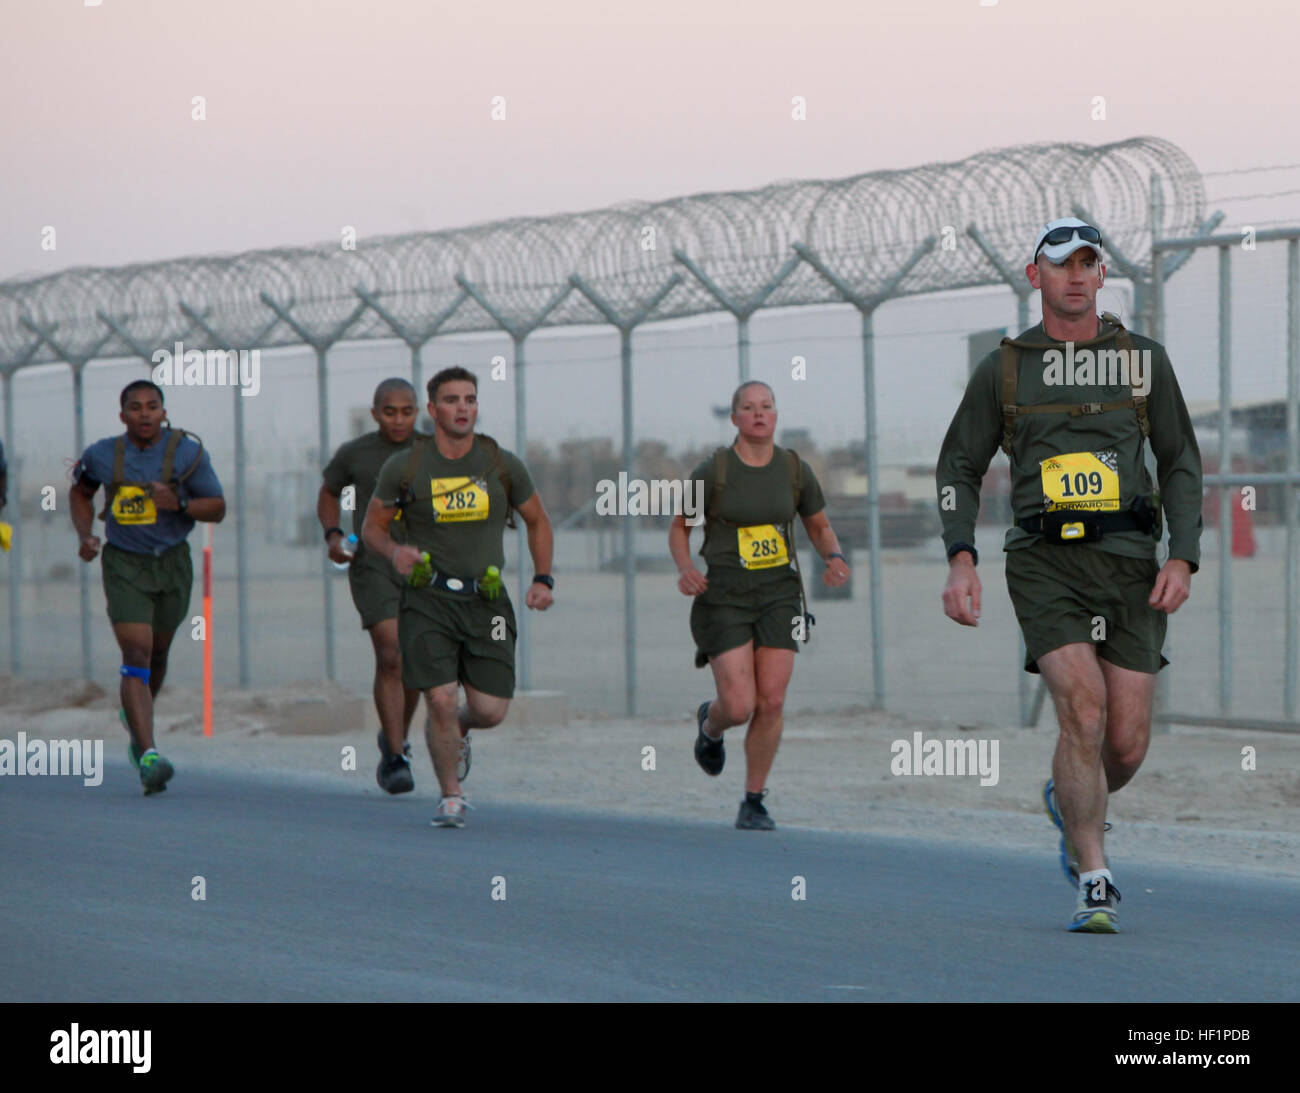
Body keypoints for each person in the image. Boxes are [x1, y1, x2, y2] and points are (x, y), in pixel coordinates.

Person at [937, 217, 1202, 933]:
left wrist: (1182, 554)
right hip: (1044, 562)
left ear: (1101, 274)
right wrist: (960, 556)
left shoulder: (1142, 360)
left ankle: (1070, 797)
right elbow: (959, 464)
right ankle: (1094, 875)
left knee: (1126, 742)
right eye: (1062, 264)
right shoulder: (1006, 369)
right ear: (1036, 277)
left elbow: (1180, 459)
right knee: (1082, 711)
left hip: (1129, 562)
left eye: (1089, 262)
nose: (1077, 275)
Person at [362, 366, 554, 828]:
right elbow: (373, 528)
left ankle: (459, 731)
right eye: (451, 400)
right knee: (441, 698)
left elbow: (538, 520)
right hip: (427, 601)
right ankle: (452, 795)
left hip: (485, 603)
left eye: (469, 399)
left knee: (490, 710)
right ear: (433, 410)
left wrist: (543, 578)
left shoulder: (501, 464)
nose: (462, 407)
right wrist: (394, 552)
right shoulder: (406, 467)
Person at [669, 380, 850, 830]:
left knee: (771, 700)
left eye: (766, 406)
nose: (758, 414)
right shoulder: (714, 471)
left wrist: (835, 556)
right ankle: (711, 727)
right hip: (724, 597)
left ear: (775, 414)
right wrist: (686, 567)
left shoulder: (793, 469)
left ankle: (754, 800)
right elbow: (679, 527)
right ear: (734, 418)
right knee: (739, 705)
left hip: (779, 597)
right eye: (748, 407)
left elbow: (819, 525)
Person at [69, 380, 226, 794]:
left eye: (151, 406)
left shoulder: (188, 454)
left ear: (163, 412)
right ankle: (150, 754)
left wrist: (181, 504)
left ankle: (137, 715)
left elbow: (219, 507)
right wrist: (85, 535)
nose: (144, 414)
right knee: (135, 652)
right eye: (135, 408)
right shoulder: (101, 455)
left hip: (172, 562)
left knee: (157, 654)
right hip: (124, 563)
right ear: (123, 416)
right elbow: (80, 493)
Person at [320, 377, 448, 796]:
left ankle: (396, 737)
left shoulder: (436, 450)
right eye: (389, 411)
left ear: (421, 411)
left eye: (406, 411)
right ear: (375, 413)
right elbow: (329, 493)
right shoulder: (356, 454)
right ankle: (395, 756)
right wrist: (333, 535)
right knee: (390, 651)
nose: (398, 419)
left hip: (422, 566)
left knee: (411, 659)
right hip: (374, 564)